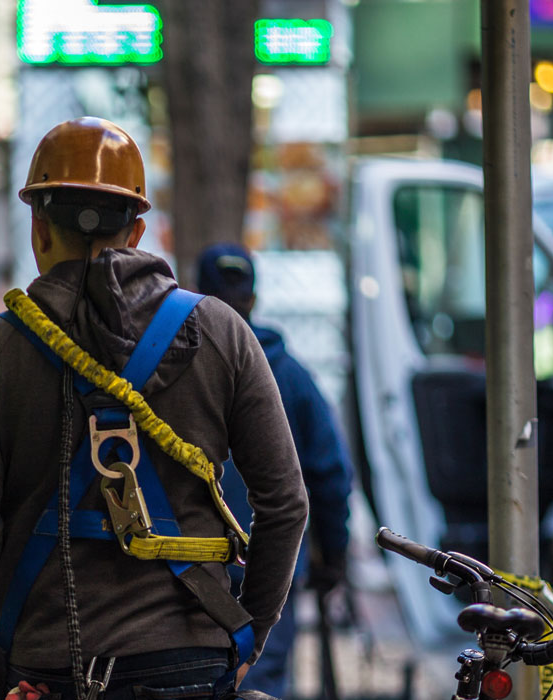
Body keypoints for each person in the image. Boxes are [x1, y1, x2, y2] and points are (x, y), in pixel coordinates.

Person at [0, 117, 308, 700]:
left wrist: (19, 618)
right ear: (137, 231)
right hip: (190, 658)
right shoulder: (221, 332)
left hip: (48, 667)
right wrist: (250, 633)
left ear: (38, 227)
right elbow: (285, 504)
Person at [196, 243, 355, 699]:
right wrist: (335, 557)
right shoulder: (292, 376)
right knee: (258, 684)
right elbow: (329, 477)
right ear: (254, 298)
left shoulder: (174, 372)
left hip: (189, 571)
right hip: (271, 569)